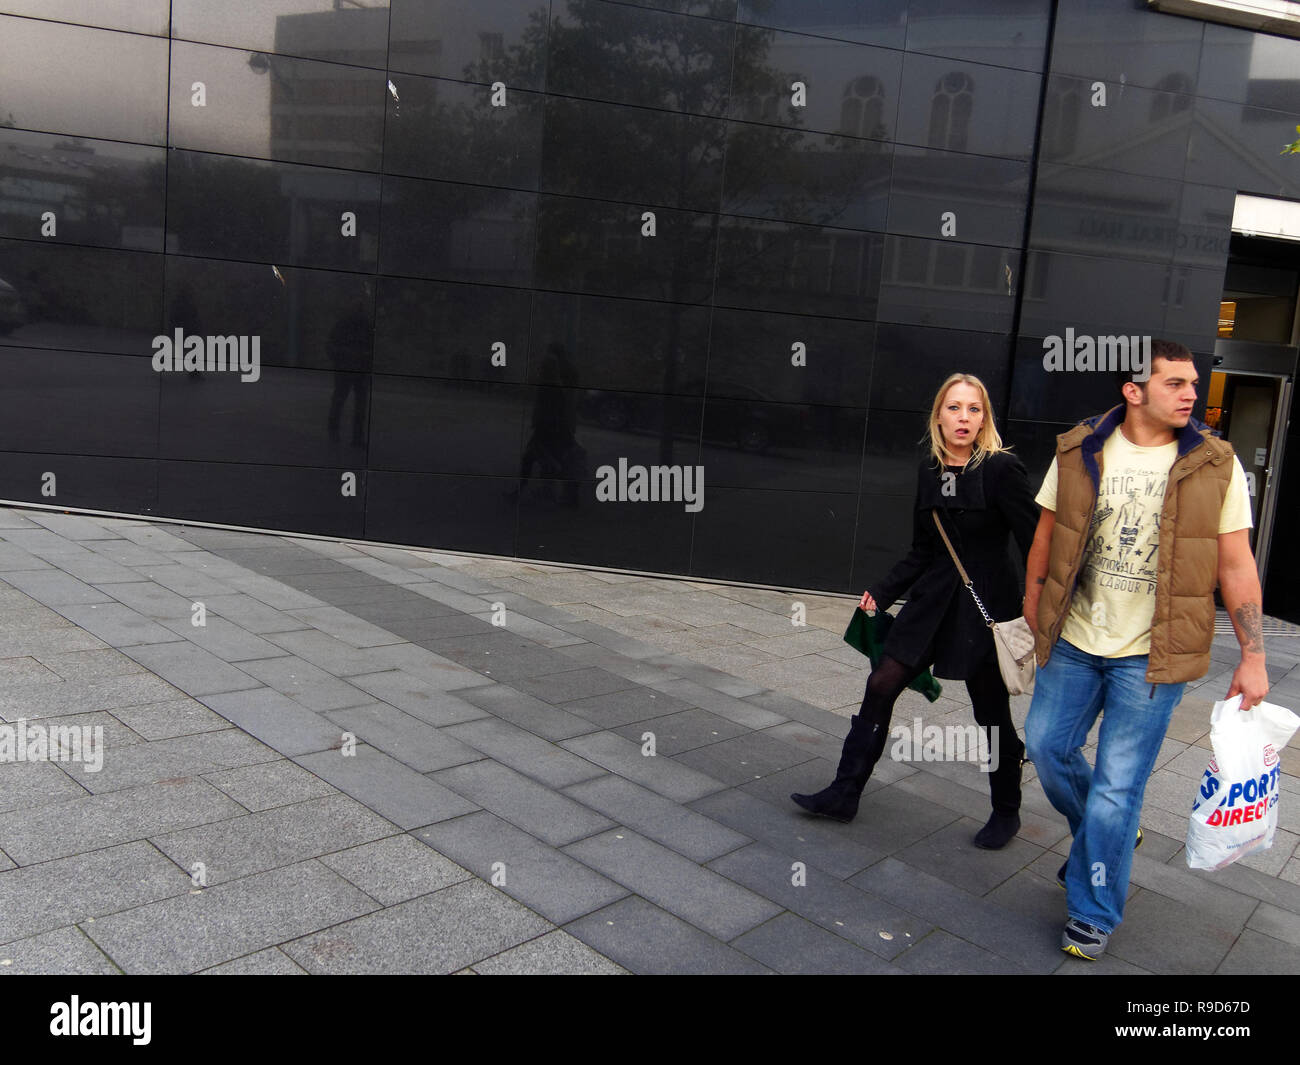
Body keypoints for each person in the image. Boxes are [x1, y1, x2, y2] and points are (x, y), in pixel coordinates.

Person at [1023, 340, 1267, 960]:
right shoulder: (1078, 448)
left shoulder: (1216, 464)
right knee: (1046, 747)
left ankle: (1092, 910)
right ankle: (1107, 838)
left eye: (1194, 384)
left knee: (1116, 788)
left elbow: (1237, 563)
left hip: (1154, 655)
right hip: (1075, 637)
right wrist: (1034, 603)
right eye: (1175, 384)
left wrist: (1254, 655)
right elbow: (1047, 534)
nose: (1191, 394)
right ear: (1133, 391)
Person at [792, 373, 1038, 849]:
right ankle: (844, 793)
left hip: (984, 607)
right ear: (938, 416)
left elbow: (1033, 540)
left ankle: (1006, 811)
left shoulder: (1001, 469)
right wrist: (883, 591)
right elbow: (924, 549)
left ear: (984, 419)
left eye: (973, 409)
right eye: (954, 408)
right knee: (881, 682)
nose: (963, 418)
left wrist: (1036, 603)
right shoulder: (930, 470)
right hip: (932, 601)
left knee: (989, 712)